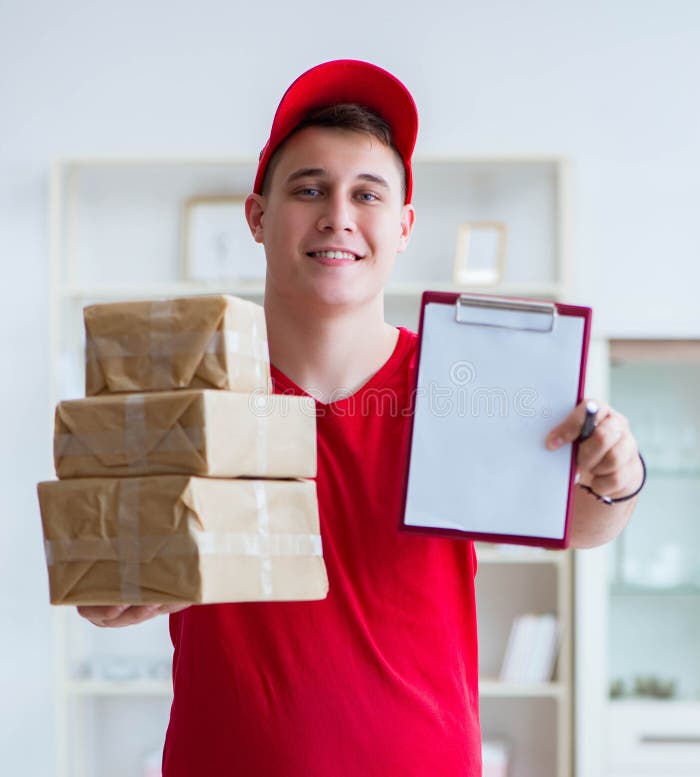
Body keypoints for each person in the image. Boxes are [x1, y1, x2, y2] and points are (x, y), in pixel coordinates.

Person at [78, 59, 644, 775]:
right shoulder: (188, 389)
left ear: (404, 225)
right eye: (308, 188)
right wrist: (109, 592)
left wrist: (619, 473)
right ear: (257, 216)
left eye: (366, 193)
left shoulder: (458, 385)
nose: (337, 214)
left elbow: (579, 519)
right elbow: (102, 574)